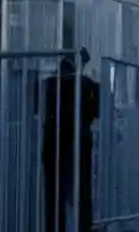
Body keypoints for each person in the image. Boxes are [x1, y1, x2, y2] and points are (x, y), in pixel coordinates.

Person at [41, 49, 101, 232]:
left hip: (55, 141)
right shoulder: (86, 84)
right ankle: (84, 226)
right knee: (82, 188)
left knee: (54, 191)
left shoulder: (50, 84)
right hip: (78, 140)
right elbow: (97, 110)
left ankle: (55, 227)